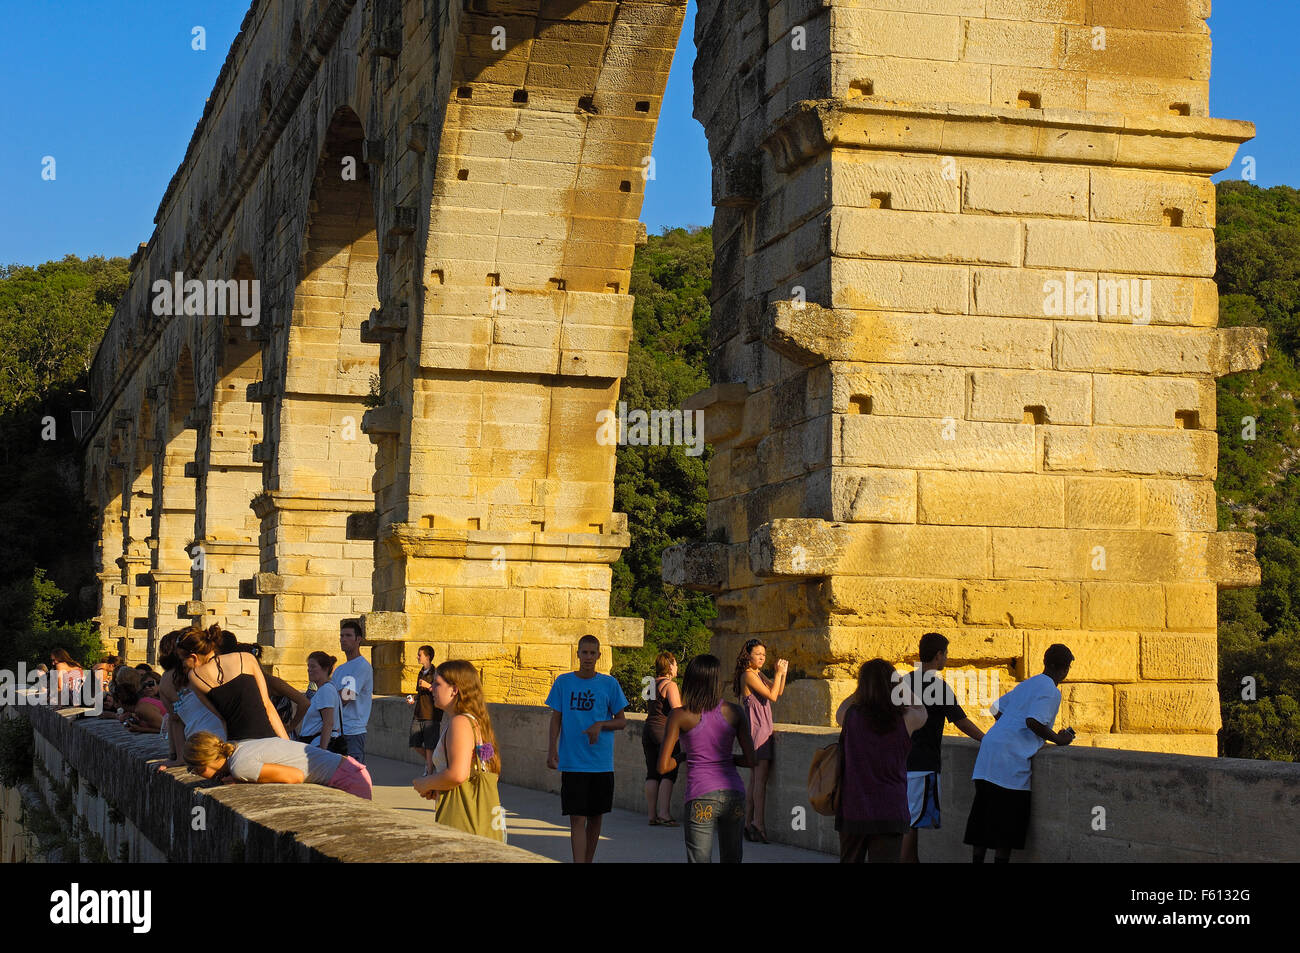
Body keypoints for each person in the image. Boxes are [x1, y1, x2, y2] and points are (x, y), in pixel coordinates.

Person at [964, 644, 1076, 863]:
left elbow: (996, 708)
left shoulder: (1029, 683)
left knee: (983, 820)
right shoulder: (1051, 690)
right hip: (1010, 764)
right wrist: (1059, 739)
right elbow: (1033, 721)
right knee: (1006, 828)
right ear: (1064, 669)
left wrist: (1009, 730)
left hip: (989, 754)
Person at [658, 654, 755, 863]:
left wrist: (684, 756)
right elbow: (751, 760)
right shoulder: (735, 712)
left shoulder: (679, 716)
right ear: (717, 681)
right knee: (733, 858)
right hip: (734, 793)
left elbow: (663, 767)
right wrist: (727, 759)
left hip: (700, 794)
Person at [901, 632, 986, 863]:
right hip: (922, 764)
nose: (946, 658)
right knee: (910, 821)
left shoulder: (903, 681)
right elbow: (961, 721)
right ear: (938, 655)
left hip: (900, 762)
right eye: (946, 653)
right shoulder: (938, 687)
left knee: (908, 819)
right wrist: (987, 740)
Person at [834, 659, 927, 863]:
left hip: (854, 809)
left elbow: (839, 710)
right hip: (890, 810)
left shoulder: (851, 717)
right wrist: (900, 685)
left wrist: (862, 688)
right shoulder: (905, 719)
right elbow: (922, 710)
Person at [545, 635, 627, 863]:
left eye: (593, 653)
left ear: (599, 656)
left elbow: (621, 721)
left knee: (596, 817)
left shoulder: (609, 684)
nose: (588, 657)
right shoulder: (563, 682)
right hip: (573, 761)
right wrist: (552, 749)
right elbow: (556, 719)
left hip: (600, 763)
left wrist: (601, 724)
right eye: (584, 652)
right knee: (577, 818)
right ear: (578, 654)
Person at [412, 660, 504, 841]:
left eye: (437, 684)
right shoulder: (473, 720)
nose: (432, 689)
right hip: (480, 820)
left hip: (463, 821)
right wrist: (436, 785)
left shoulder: (460, 723)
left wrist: (425, 783)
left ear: (454, 690)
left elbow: (457, 774)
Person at [177, 624, 288, 740]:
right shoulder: (246, 658)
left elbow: (222, 719)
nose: (183, 664)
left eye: (182, 659)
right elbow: (267, 706)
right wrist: (285, 741)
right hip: (266, 737)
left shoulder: (194, 676)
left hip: (237, 741)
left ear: (193, 657)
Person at [184, 731, 372, 799]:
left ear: (204, 764)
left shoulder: (239, 766)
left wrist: (243, 782)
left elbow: (295, 777)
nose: (195, 774)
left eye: (194, 770)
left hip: (346, 779)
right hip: (348, 769)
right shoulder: (239, 748)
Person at [733, 638, 787, 842]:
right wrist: (779, 673)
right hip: (758, 732)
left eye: (764, 655)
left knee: (755, 780)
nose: (762, 658)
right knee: (759, 781)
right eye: (758, 654)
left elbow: (777, 691)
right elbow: (773, 697)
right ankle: (759, 823)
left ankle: (748, 823)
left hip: (758, 731)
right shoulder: (748, 675)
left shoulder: (756, 673)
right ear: (748, 655)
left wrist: (782, 673)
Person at [643, 651, 682, 826]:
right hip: (663, 731)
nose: (677, 667)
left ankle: (652, 815)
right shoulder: (670, 685)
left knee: (652, 772)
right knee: (668, 771)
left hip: (648, 730)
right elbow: (677, 710)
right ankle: (664, 813)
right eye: (675, 664)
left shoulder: (650, 683)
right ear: (669, 666)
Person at [331, 619, 373, 763]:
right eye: (342, 636)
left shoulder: (363, 666)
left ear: (358, 639)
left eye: (348, 635)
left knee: (353, 778)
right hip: (337, 732)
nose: (343, 639)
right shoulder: (339, 670)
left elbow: (346, 696)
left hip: (354, 732)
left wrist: (328, 698)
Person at [297, 651, 344, 752]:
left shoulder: (325, 690)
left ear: (325, 669)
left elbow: (328, 723)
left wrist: (322, 752)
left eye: (313, 666)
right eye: (308, 666)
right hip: (315, 744)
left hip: (317, 745)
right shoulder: (325, 689)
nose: (309, 670)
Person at [407, 645, 442, 776]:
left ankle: (429, 771)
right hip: (419, 712)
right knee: (414, 742)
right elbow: (420, 693)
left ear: (427, 657)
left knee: (429, 745)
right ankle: (431, 763)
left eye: (419, 655)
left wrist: (429, 686)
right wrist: (413, 698)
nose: (417, 657)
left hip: (431, 715)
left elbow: (440, 691)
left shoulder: (437, 673)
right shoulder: (421, 672)